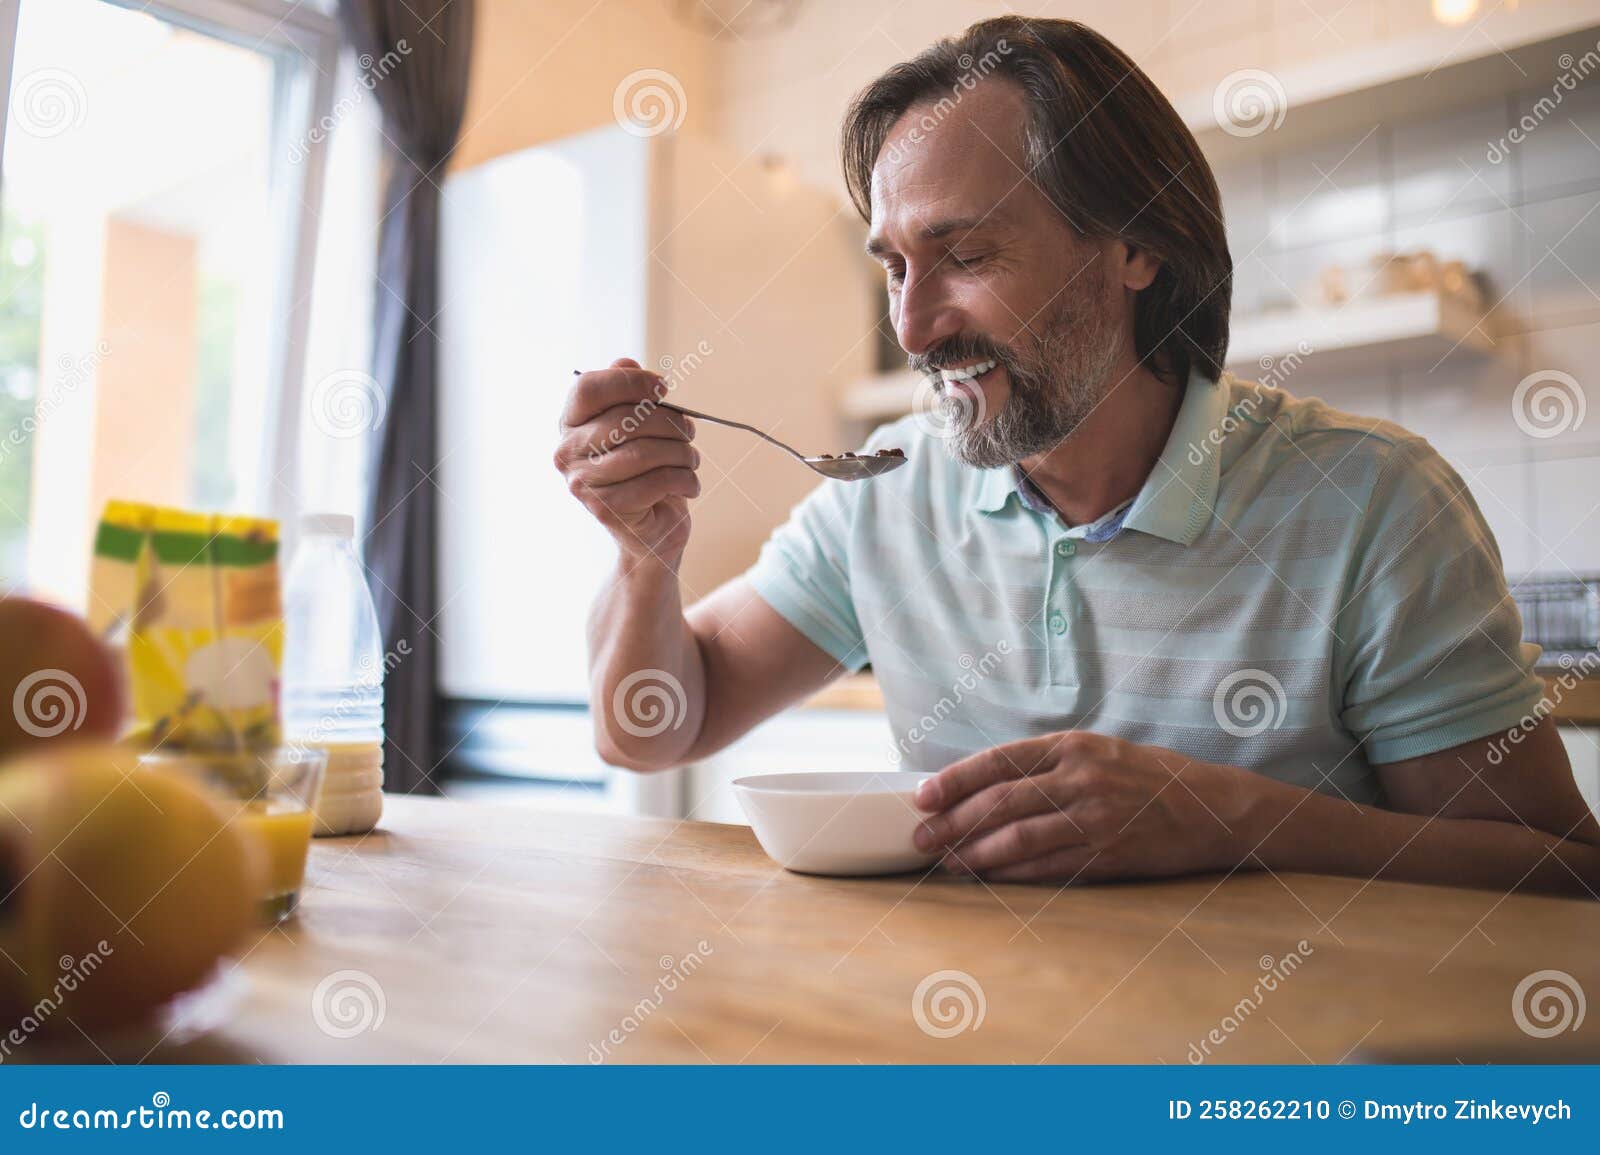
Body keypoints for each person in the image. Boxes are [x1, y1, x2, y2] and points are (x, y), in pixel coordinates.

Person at [552, 17, 1600, 895]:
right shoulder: (891, 491)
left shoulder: (1373, 502)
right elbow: (648, 732)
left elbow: (1560, 874)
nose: (913, 331)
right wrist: (646, 555)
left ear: (1137, 246)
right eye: (894, 268)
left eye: (966, 256)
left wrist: (1235, 819)